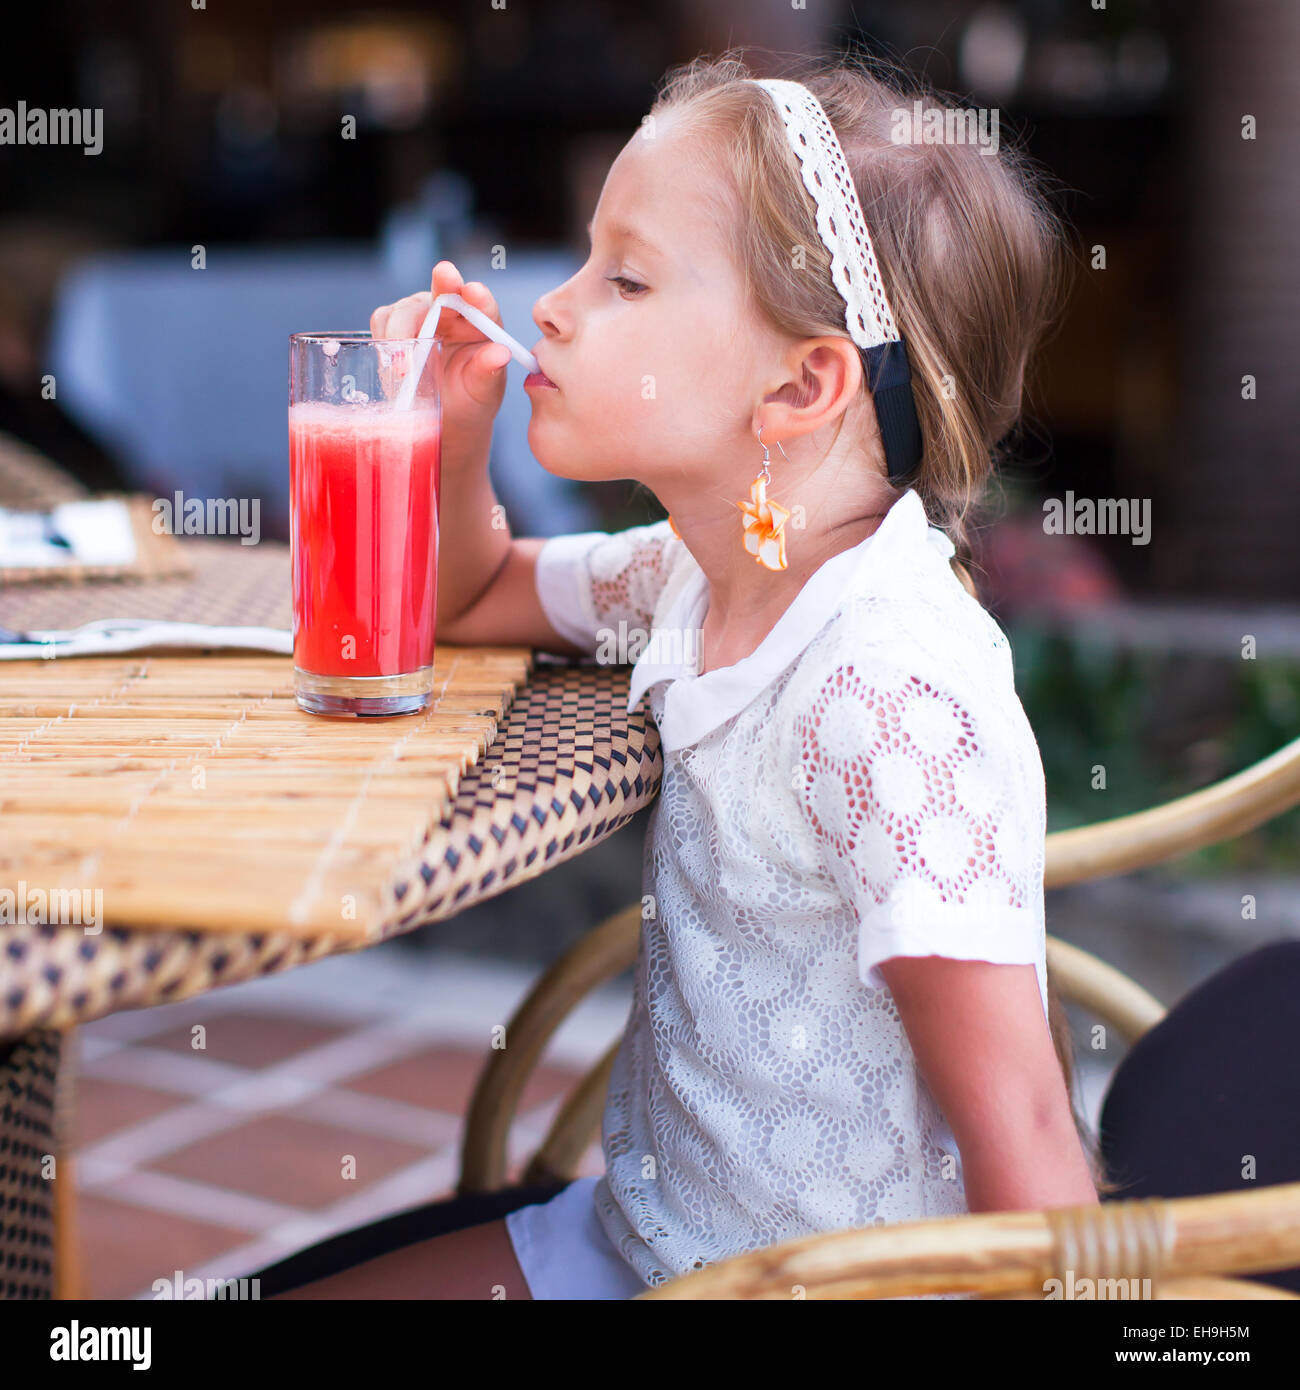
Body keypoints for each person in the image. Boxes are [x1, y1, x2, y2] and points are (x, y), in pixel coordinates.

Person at [264, 47, 1111, 1301]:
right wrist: (452, 443)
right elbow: (476, 596)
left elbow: (1029, 1141)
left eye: (626, 278)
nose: (549, 304)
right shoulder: (701, 568)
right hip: (651, 1238)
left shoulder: (884, 692)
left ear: (802, 382)